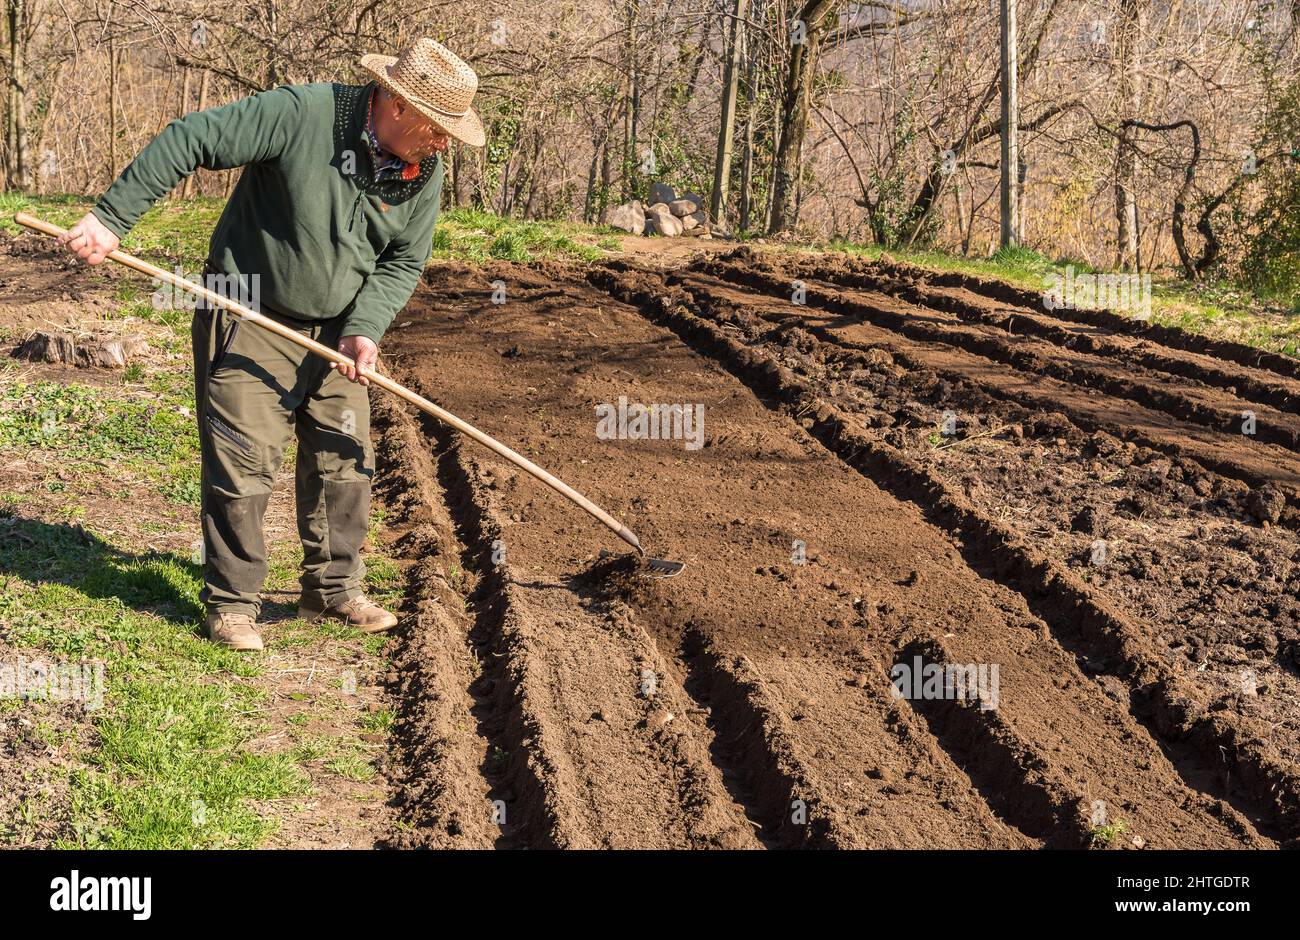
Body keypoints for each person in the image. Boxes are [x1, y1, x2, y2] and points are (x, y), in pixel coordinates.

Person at [58, 37, 486, 651]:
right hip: (249, 311)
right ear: (396, 103)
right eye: (439, 128)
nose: (445, 142)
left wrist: (365, 328)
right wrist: (111, 218)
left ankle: (333, 590)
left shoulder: (424, 171)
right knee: (246, 461)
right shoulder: (301, 114)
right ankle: (232, 604)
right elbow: (190, 138)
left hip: (337, 332)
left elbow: (403, 259)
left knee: (346, 458)